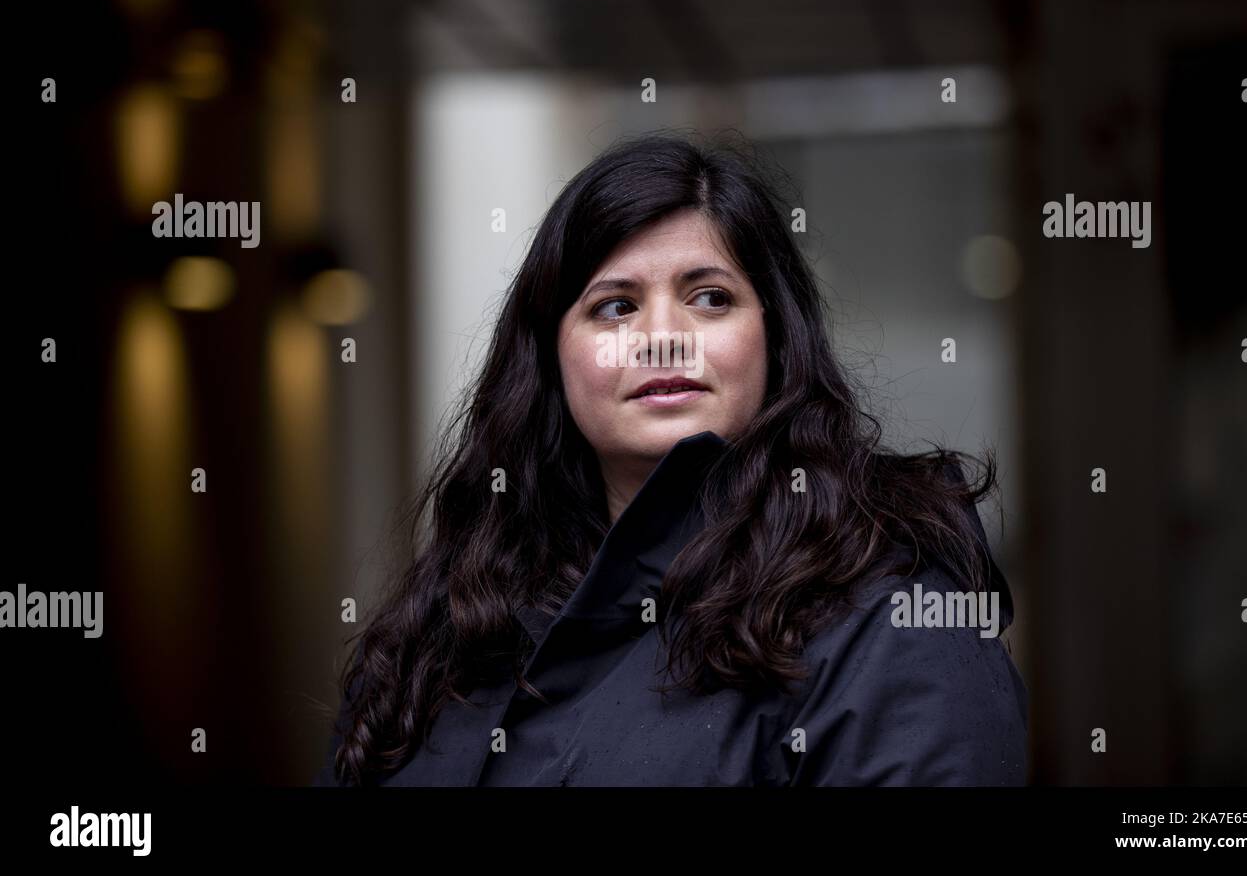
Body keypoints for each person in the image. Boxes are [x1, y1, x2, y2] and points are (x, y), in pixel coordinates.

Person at [314, 131, 1028, 786]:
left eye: (710, 298)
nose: (663, 338)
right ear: (551, 358)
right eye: (615, 307)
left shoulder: (893, 615)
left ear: (776, 340)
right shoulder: (454, 622)